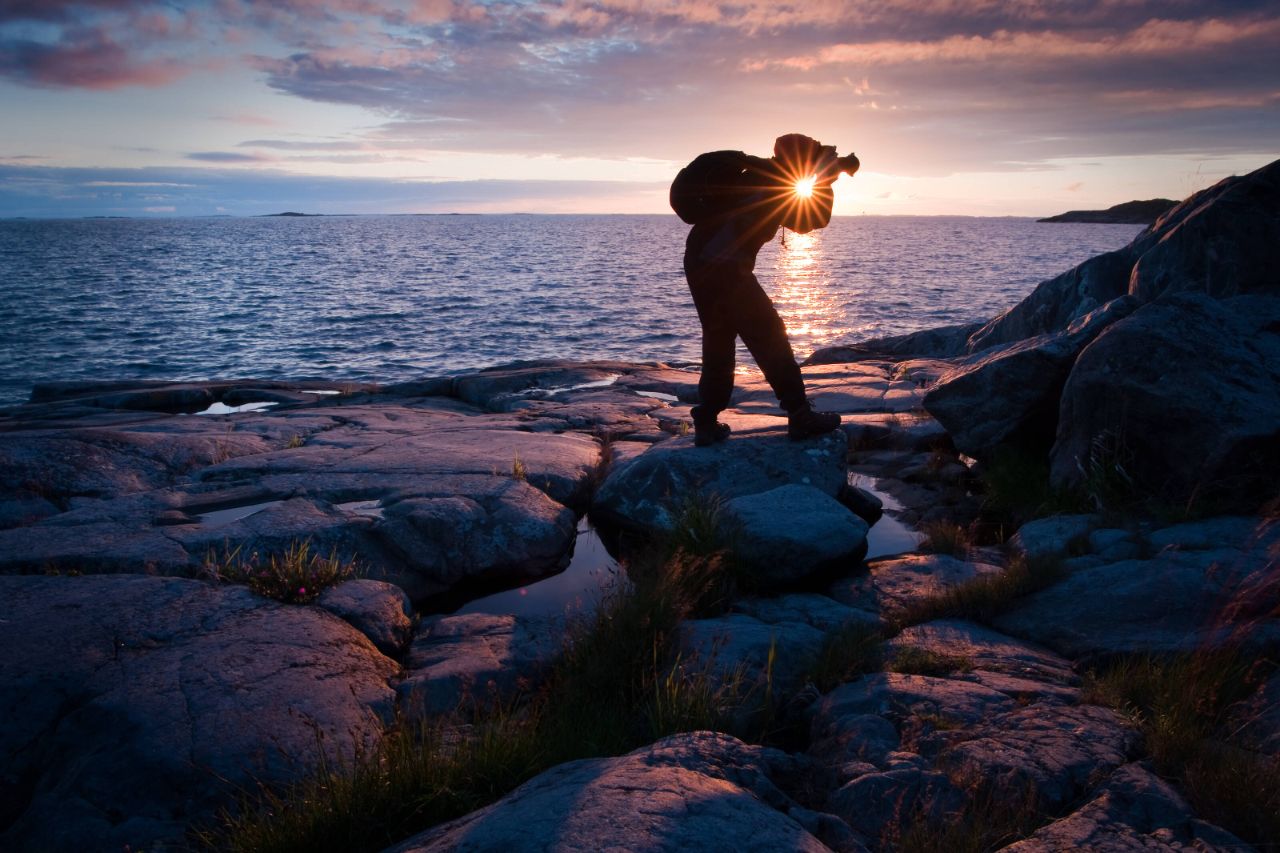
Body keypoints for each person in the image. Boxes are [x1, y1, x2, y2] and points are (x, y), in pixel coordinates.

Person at [679, 133, 859, 446]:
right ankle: (800, 415)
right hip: (724, 268)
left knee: (719, 339)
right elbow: (813, 219)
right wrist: (827, 179)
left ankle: (706, 420)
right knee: (769, 335)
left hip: (700, 262)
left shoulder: (761, 175)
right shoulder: (774, 183)